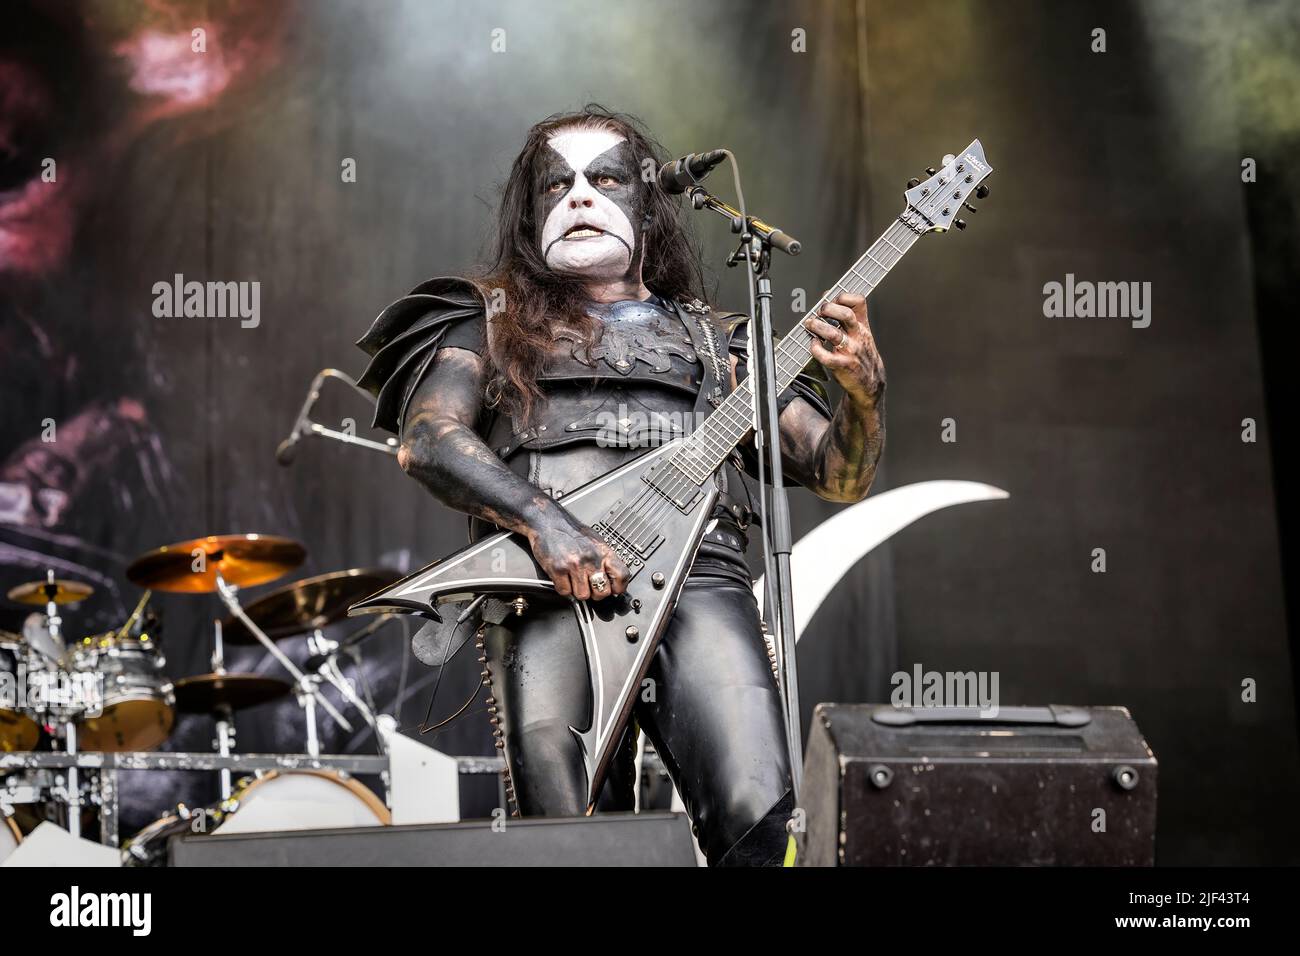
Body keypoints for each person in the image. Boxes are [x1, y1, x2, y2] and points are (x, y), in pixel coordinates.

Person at [357, 105, 885, 865]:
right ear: (530, 214)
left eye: (604, 178)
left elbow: (837, 475)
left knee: (759, 818)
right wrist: (547, 523)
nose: (578, 196)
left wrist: (866, 397)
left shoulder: (720, 340)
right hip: (546, 583)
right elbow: (430, 440)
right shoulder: (486, 319)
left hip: (702, 580)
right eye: (555, 185)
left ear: (648, 207)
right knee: (564, 836)